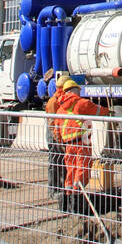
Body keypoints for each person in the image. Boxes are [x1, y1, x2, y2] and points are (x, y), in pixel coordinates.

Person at [58, 79, 106, 206]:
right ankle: (77, 196)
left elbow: (57, 128)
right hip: (81, 143)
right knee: (82, 169)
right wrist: (109, 112)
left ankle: (67, 199)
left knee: (71, 170)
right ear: (75, 91)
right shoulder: (81, 103)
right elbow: (98, 110)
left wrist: (61, 142)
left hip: (68, 144)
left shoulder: (60, 108)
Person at [45, 70, 70, 206]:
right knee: (55, 162)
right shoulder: (53, 102)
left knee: (62, 162)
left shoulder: (62, 100)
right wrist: (57, 138)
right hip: (54, 135)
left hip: (60, 135)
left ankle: (62, 188)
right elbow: (52, 123)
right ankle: (53, 190)